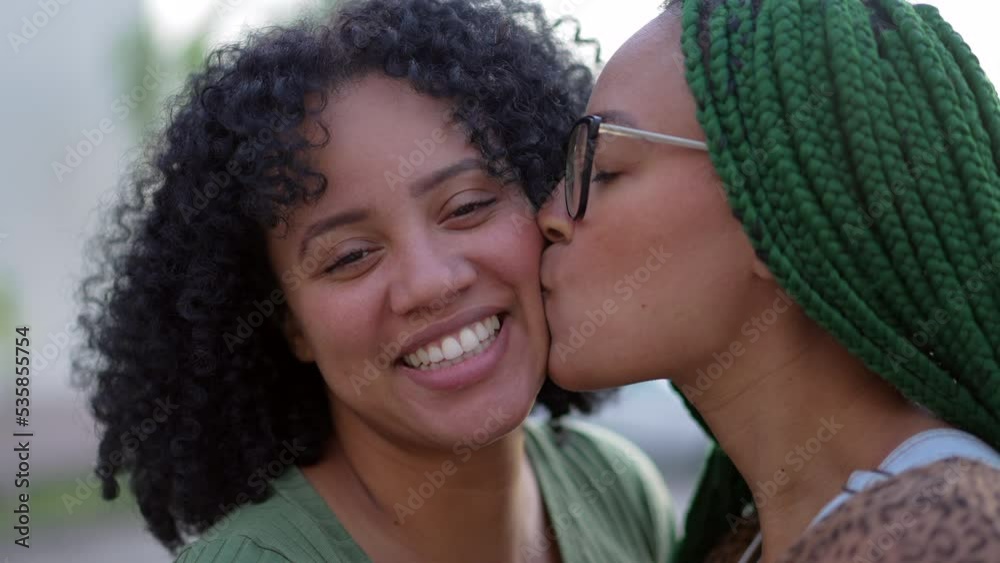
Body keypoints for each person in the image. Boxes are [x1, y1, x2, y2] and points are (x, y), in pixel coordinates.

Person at [73, 1, 676, 561]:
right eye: (350, 256)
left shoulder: (616, 489)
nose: (430, 283)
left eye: (466, 207)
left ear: (546, 200)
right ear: (290, 326)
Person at [536, 0, 1000, 561]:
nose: (551, 215)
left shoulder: (939, 532)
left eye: (603, 168)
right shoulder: (749, 536)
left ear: (776, 215)